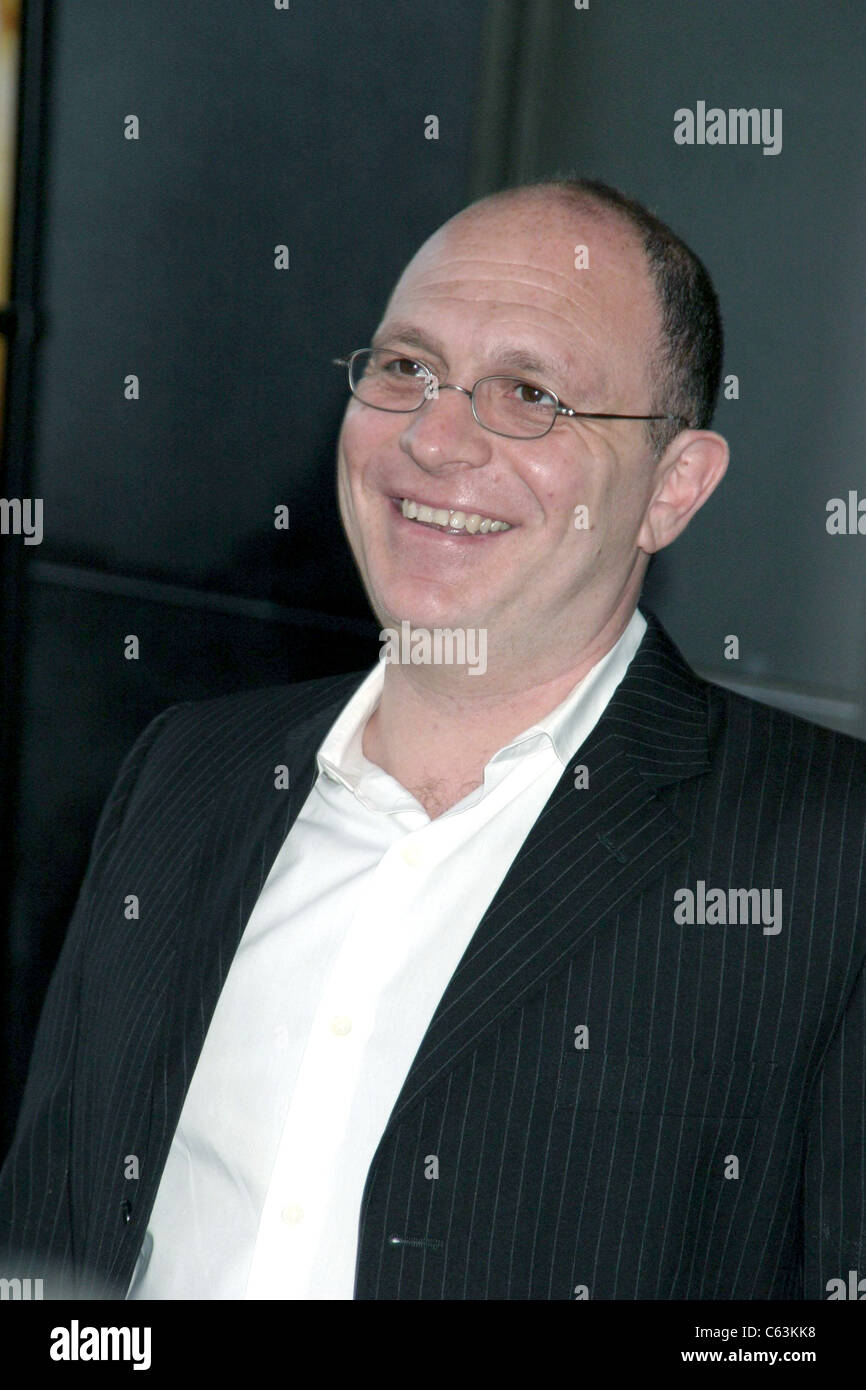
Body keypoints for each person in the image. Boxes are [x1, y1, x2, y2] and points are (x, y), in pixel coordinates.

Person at [1, 177, 864, 1301]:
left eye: (529, 393)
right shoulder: (187, 771)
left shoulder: (824, 860)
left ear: (670, 488)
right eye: (405, 367)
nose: (435, 437)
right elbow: (50, 1243)